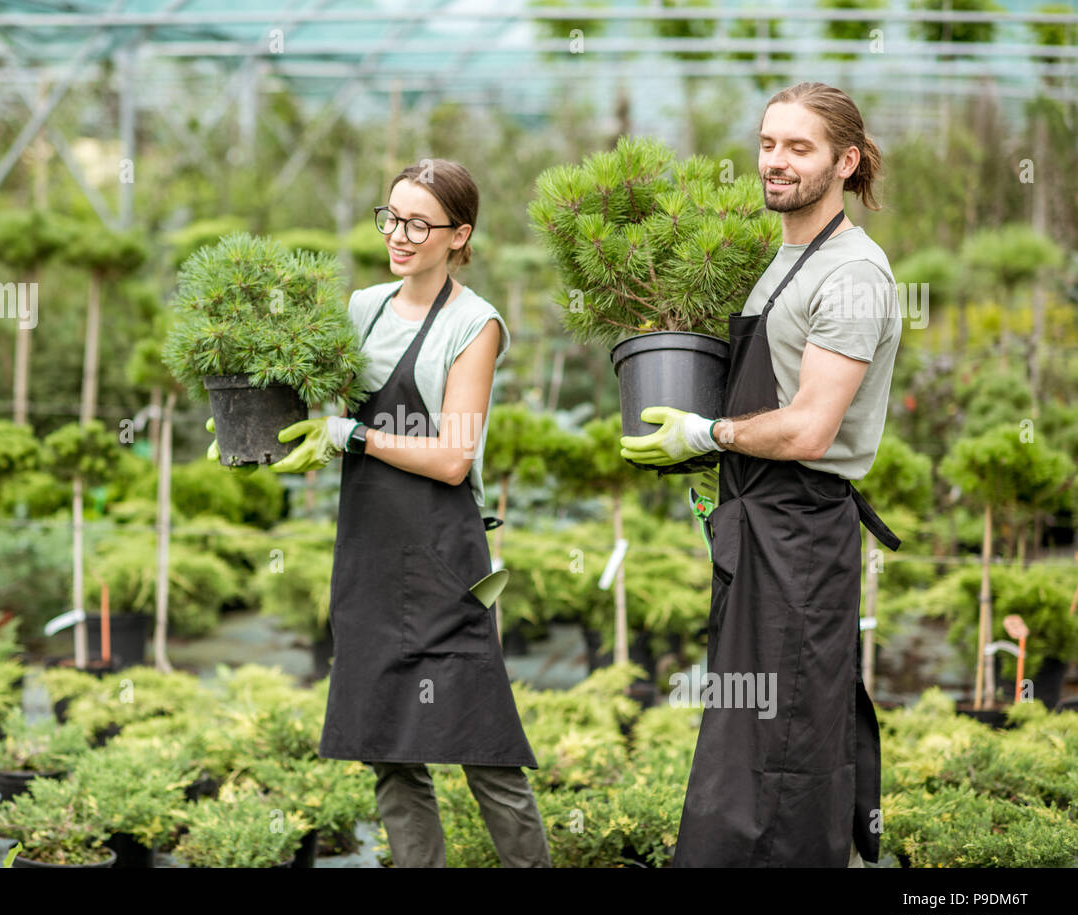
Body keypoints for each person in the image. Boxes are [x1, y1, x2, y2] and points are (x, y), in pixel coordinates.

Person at [218, 159, 550, 868]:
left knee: (483, 744)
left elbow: (453, 456)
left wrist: (352, 435)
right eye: (391, 217)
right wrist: (252, 418)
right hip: (369, 554)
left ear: (459, 234)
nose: (399, 235)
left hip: (446, 558)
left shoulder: (475, 323)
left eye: (418, 223)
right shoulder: (361, 308)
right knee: (388, 748)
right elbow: (303, 390)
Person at [619, 82, 903, 867]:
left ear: (845, 161)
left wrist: (707, 430)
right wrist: (715, 467)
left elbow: (812, 425)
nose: (776, 161)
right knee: (744, 741)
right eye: (769, 142)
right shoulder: (784, 257)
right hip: (757, 523)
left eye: (799, 147)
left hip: (801, 536)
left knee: (786, 754)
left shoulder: (851, 274)